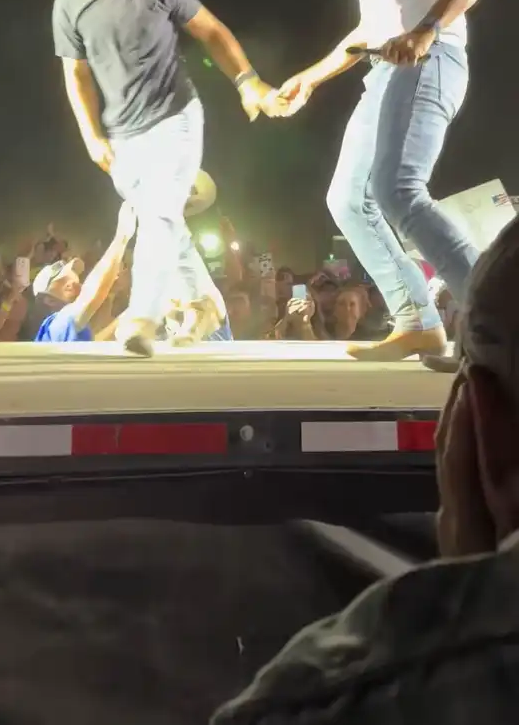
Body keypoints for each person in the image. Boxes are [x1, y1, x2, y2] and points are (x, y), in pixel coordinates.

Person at [212, 214, 519, 724]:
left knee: (375, 197)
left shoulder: (337, 699)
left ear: (477, 423)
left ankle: (419, 320)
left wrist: (470, 587)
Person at [280, 0, 491, 365]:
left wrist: (426, 31)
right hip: (385, 72)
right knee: (348, 200)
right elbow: (369, 30)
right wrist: (311, 77)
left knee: (398, 190)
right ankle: (417, 320)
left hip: (427, 60)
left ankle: (499, 323)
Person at [53, 0, 282, 357]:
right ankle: (205, 304)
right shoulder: (69, 4)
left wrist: (248, 82)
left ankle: (143, 315)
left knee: (159, 213)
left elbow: (212, 31)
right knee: (163, 220)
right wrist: (91, 135)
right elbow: (76, 75)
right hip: (122, 135)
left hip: (176, 117)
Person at [33, 202, 136, 343]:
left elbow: (98, 342)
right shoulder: (56, 325)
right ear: (49, 300)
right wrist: (122, 237)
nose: (74, 283)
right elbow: (92, 294)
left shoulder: (70, 330)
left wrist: (137, 309)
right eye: (63, 280)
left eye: (75, 278)